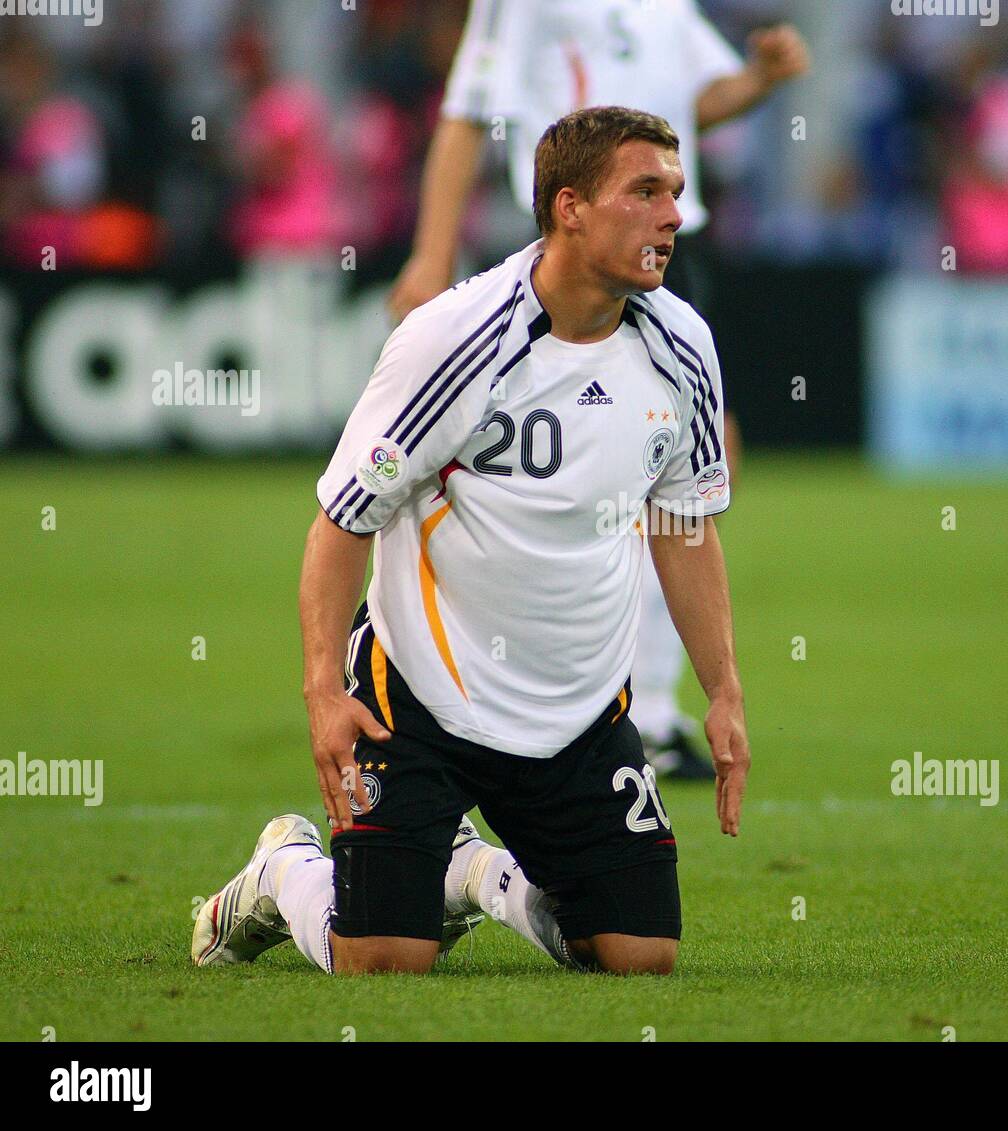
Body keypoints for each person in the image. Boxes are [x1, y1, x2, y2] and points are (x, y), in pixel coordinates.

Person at [192, 107, 749, 977]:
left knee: (640, 956)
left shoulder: (683, 345)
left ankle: (472, 873)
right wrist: (321, 690)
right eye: (645, 192)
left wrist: (723, 690)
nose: (674, 214)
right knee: (383, 960)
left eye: (675, 192)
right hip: (421, 698)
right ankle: (283, 871)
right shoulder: (454, 338)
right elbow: (342, 519)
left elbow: (683, 525)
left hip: (579, 711)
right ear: (569, 207)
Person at [387, 0, 808, 779]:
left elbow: (689, 104)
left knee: (688, 470)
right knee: (566, 474)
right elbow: (468, 112)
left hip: (666, 239)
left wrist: (759, 78)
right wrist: (432, 253)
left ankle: (648, 707)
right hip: (578, 240)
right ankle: (501, 689)